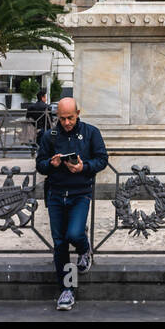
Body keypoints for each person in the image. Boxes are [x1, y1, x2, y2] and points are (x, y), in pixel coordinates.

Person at [36, 97, 108, 312]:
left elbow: (102, 159)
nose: (66, 122)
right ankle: (67, 289)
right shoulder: (49, 136)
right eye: (62, 118)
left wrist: (84, 167)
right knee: (60, 243)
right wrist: (51, 163)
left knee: (74, 235)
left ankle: (85, 249)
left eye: (70, 117)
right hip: (56, 194)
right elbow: (40, 165)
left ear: (78, 113)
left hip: (80, 193)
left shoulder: (91, 133)